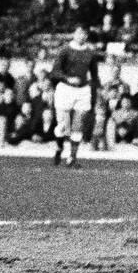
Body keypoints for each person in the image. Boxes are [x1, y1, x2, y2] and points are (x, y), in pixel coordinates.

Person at [49, 25, 102, 167]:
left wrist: (97, 91)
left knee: (78, 126)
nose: (82, 36)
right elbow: (54, 72)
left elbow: (95, 75)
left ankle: (72, 158)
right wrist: (68, 78)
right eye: (79, 33)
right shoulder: (65, 50)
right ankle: (59, 148)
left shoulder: (90, 53)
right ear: (74, 34)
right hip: (65, 90)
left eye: (84, 33)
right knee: (62, 127)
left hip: (83, 91)